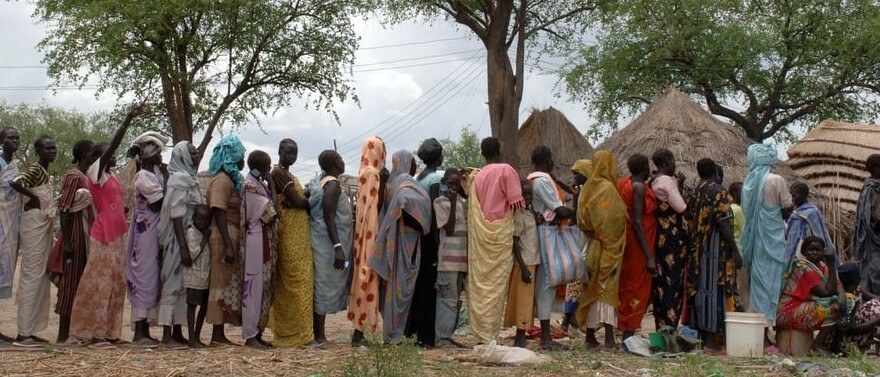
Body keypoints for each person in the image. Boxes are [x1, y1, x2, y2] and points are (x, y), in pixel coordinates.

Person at [68, 106, 142, 345]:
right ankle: (94, 332)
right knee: (99, 283)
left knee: (117, 284)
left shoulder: (113, 177)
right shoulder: (95, 174)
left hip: (118, 235)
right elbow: (113, 145)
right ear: (99, 158)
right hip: (103, 236)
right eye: (108, 154)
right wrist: (127, 120)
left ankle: (111, 332)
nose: (113, 156)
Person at [463, 137, 525, 344]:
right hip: (501, 234)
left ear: (482, 153)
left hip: (482, 236)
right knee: (497, 286)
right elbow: (517, 204)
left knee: (482, 284)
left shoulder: (477, 177)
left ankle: (482, 334)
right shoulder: (506, 171)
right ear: (499, 149)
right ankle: (490, 334)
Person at [369, 150, 431, 343]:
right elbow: (406, 201)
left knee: (392, 286)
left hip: (393, 241)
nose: (414, 166)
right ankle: (397, 333)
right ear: (406, 163)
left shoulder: (390, 184)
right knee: (402, 287)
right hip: (406, 239)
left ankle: (393, 331)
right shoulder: (405, 182)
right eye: (412, 162)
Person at [220, 150, 277, 349]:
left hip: (262, 238)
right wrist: (272, 185)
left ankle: (258, 333)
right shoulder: (251, 186)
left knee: (263, 286)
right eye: (268, 165)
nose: (270, 168)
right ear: (260, 166)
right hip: (255, 240)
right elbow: (272, 213)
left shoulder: (258, 183)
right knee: (253, 287)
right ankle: (251, 335)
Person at [684, 158, 740, 351]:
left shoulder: (693, 191)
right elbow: (723, 221)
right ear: (714, 172)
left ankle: (703, 336)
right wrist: (734, 249)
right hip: (714, 249)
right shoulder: (717, 191)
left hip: (696, 249)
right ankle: (710, 340)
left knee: (700, 291)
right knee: (713, 291)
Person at [741, 143, 792, 350]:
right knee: (771, 283)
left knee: (756, 282)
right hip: (772, 238)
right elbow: (787, 205)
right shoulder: (776, 180)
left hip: (754, 239)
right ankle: (764, 335)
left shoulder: (748, 184)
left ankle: (759, 333)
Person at [10, 135, 57, 346]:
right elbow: (16, 182)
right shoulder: (36, 169)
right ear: (38, 150)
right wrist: (35, 199)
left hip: (41, 226)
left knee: (39, 278)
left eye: (54, 148)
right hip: (34, 226)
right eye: (48, 148)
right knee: (31, 277)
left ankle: (31, 330)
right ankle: (23, 333)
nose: (53, 151)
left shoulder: (44, 171)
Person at [576, 150, 626, 349]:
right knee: (607, 290)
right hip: (608, 248)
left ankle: (589, 336)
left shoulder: (586, 190)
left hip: (592, 245)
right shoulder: (608, 189)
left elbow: (581, 220)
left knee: (590, 289)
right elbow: (615, 219)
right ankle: (609, 338)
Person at [527, 146, 575, 349]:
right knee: (547, 282)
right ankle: (546, 338)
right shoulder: (543, 182)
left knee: (545, 283)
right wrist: (579, 212)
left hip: (542, 232)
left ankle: (546, 333)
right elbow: (559, 210)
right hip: (548, 234)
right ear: (547, 160)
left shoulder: (533, 179)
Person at [270, 139, 315, 347]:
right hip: (289, 233)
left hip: (299, 234)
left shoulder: (289, 175)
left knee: (302, 281)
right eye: (288, 153)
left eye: (295, 153)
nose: (292, 157)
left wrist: (300, 199)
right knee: (295, 281)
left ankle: (299, 334)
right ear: (280, 151)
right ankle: (298, 335)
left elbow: (297, 199)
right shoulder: (279, 173)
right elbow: (299, 202)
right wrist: (307, 199)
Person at [158, 141, 203, 346]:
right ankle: (166, 335)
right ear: (183, 156)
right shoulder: (179, 180)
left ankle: (177, 331)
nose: (196, 155)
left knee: (182, 286)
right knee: (172, 285)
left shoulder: (190, 179)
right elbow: (176, 216)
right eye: (192, 153)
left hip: (187, 238)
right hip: (178, 241)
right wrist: (183, 248)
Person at [125, 132, 168, 345]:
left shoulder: (155, 173)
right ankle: (139, 332)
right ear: (150, 155)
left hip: (153, 230)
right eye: (158, 153)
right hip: (145, 234)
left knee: (153, 277)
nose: (161, 157)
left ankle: (145, 330)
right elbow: (159, 203)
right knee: (144, 277)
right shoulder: (144, 177)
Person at [308, 150, 353, 344]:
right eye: (341, 160)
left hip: (327, 244)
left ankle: (318, 334)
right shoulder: (332, 186)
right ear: (336, 163)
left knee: (324, 284)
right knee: (325, 286)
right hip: (329, 247)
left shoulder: (323, 182)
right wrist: (338, 246)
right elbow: (328, 216)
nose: (343, 163)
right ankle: (319, 336)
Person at [206, 135, 246, 346]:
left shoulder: (230, 179)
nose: (243, 159)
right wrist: (228, 245)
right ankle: (216, 333)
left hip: (230, 233)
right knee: (219, 283)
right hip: (223, 235)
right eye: (241, 154)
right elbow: (218, 211)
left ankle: (220, 332)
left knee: (225, 282)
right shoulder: (222, 180)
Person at [55, 140, 95, 343]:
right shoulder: (73, 176)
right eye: (91, 151)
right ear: (84, 154)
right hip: (75, 235)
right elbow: (64, 208)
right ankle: (62, 335)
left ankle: (73, 333)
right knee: (69, 283)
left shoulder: (85, 177)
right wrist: (68, 242)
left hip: (85, 234)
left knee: (79, 282)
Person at [348, 137, 387, 346]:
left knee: (361, 279)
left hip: (361, 236)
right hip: (370, 235)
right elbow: (374, 209)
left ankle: (359, 331)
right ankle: (361, 333)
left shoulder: (362, 172)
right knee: (368, 280)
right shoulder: (373, 174)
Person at [776, 236, 842, 353]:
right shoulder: (803, 267)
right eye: (811, 250)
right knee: (831, 306)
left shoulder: (821, 267)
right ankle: (816, 346)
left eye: (818, 250)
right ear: (804, 252)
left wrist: (842, 298)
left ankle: (834, 345)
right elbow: (827, 292)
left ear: (823, 252)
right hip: (787, 309)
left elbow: (838, 285)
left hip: (803, 305)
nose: (814, 253)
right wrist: (831, 263)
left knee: (847, 301)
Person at [406, 138, 443, 346]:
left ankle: (413, 332)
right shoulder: (435, 180)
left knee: (419, 284)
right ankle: (426, 336)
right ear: (438, 158)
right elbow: (435, 211)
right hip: (430, 237)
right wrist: (438, 244)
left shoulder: (419, 177)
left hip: (418, 236)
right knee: (429, 286)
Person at [617, 154, 658, 341]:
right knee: (636, 286)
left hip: (629, 242)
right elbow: (638, 223)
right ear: (644, 168)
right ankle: (628, 332)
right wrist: (649, 256)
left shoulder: (624, 183)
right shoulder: (639, 187)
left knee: (627, 284)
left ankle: (627, 329)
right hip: (639, 245)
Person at [650, 148, 688, 330]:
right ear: (666, 161)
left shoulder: (655, 180)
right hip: (672, 236)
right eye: (673, 161)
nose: (675, 165)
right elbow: (681, 207)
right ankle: (671, 326)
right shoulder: (667, 182)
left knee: (662, 281)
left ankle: (662, 325)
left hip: (661, 236)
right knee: (672, 281)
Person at [433, 169, 467, 348]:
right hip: (447, 261)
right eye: (450, 184)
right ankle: (441, 337)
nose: (453, 188)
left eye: (457, 184)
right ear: (444, 183)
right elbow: (450, 228)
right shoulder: (440, 202)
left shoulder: (462, 203)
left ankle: (448, 335)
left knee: (455, 301)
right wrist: (453, 203)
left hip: (461, 260)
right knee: (447, 300)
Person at [504, 180, 539, 348]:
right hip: (525, 262)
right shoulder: (518, 213)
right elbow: (515, 241)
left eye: (529, 194)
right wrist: (523, 267)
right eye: (524, 194)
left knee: (527, 300)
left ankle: (522, 334)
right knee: (523, 301)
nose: (527, 197)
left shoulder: (529, 212)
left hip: (532, 259)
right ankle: (519, 336)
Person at [562, 159, 592, 333]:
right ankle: (569, 316)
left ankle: (572, 316)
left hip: (585, 237)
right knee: (576, 277)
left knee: (579, 277)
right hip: (580, 237)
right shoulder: (581, 193)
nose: (574, 177)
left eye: (577, 174)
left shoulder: (587, 193)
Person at [829, 263, 880, 354]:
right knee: (873, 307)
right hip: (844, 342)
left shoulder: (855, 289)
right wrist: (876, 320)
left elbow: (875, 298)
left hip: (852, 335)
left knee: (875, 304)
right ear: (857, 280)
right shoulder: (846, 301)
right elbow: (851, 330)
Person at [0, 127, 21, 344]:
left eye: (16, 138)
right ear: (1, 140)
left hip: (10, 226)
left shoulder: (14, 165)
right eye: (9, 138)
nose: (14, 141)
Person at [183, 204, 212, 348]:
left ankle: (197, 335)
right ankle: (191, 338)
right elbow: (193, 253)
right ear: (194, 218)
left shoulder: (205, 232)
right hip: (194, 277)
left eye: (205, 220)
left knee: (204, 306)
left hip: (205, 277)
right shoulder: (191, 233)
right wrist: (205, 239)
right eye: (199, 219)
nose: (201, 223)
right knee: (192, 306)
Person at [787, 182, 835, 264]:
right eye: (791, 196)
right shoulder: (795, 212)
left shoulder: (812, 212)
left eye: (794, 196)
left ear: (803, 195)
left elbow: (819, 235)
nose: (792, 199)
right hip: (791, 251)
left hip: (807, 253)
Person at [853, 154, 880, 297]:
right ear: (876, 169)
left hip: (873, 242)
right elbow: (874, 219)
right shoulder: (874, 190)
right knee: (875, 276)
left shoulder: (869, 188)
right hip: (875, 242)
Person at [729, 182, 749, 311]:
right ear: (735, 193)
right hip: (740, 253)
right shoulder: (738, 210)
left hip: (730, 252)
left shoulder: (729, 208)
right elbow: (745, 232)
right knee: (742, 288)